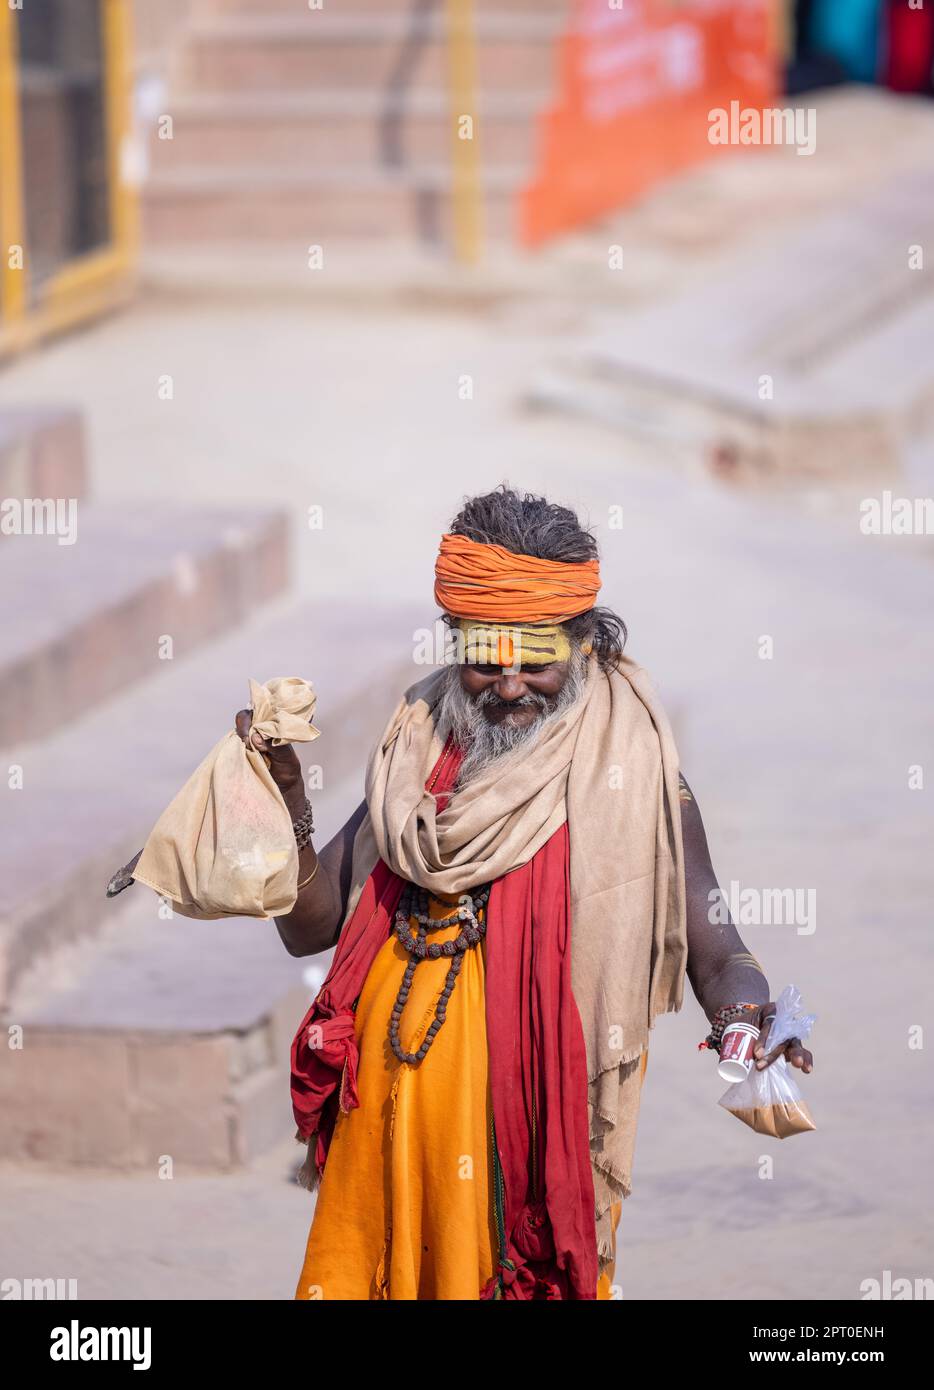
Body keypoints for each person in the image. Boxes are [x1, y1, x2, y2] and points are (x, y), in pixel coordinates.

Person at [236, 486, 814, 1301]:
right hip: (385, 1134)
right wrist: (284, 800)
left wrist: (753, 1022)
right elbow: (310, 928)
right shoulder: (418, 749)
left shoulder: (634, 771)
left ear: (581, 646)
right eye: (484, 658)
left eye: (535, 661)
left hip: (524, 1144)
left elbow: (717, 948)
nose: (508, 687)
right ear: (454, 645)